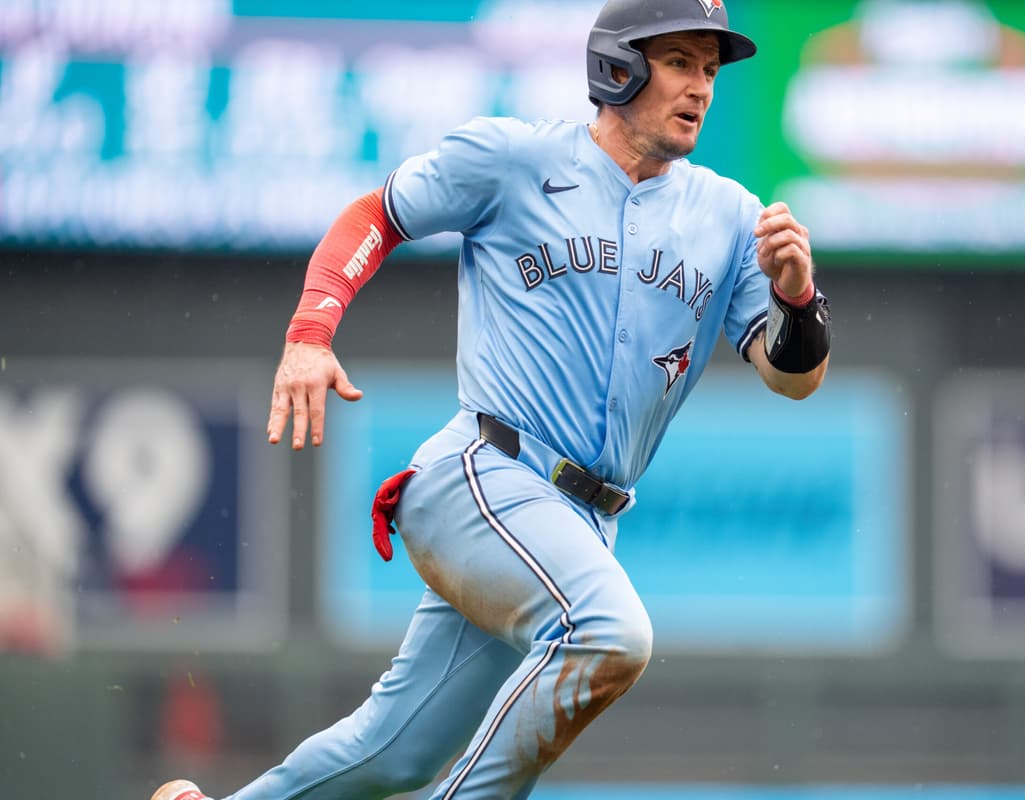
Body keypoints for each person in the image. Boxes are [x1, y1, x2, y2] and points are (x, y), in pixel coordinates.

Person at [153, 0, 829, 798]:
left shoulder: (731, 217)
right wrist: (309, 331)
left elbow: (793, 378)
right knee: (609, 633)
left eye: (710, 70)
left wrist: (796, 298)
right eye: (680, 61)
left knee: (396, 750)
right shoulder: (514, 158)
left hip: (581, 522)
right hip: (486, 471)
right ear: (618, 66)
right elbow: (376, 215)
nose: (701, 87)